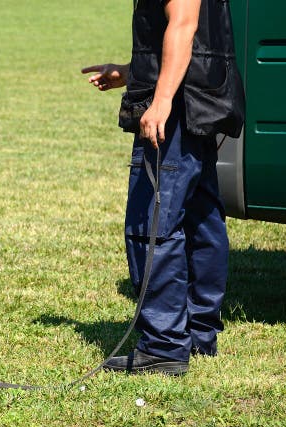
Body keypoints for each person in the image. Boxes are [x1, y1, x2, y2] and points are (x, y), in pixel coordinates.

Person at [81, 0, 245, 375]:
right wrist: (129, 71)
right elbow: (190, 34)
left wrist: (161, 101)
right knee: (202, 221)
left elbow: (184, 25)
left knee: (152, 224)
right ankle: (197, 333)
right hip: (197, 100)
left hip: (178, 109)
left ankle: (164, 345)